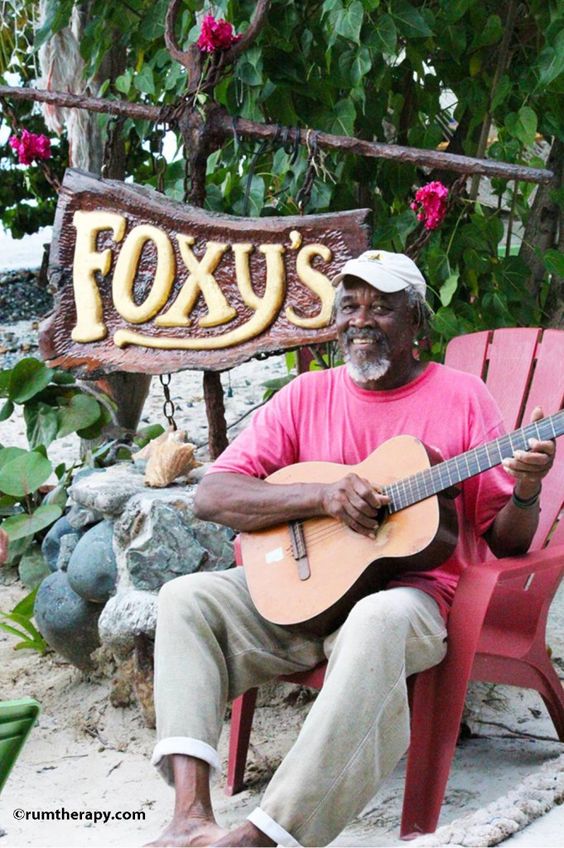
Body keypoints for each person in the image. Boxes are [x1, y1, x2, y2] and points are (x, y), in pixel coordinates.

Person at [149, 250, 555, 848]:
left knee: (376, 616)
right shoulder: (305, 395)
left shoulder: (464, 398)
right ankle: (189, 816)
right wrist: (321, 497)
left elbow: (505, 539)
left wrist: (524, 490)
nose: (361, 320)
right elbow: (213, 494)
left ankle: (267, 837)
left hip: (413, 602)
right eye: (351, 305)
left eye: (382, 308)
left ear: (418, 324)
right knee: (185, 599)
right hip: (306, 595)